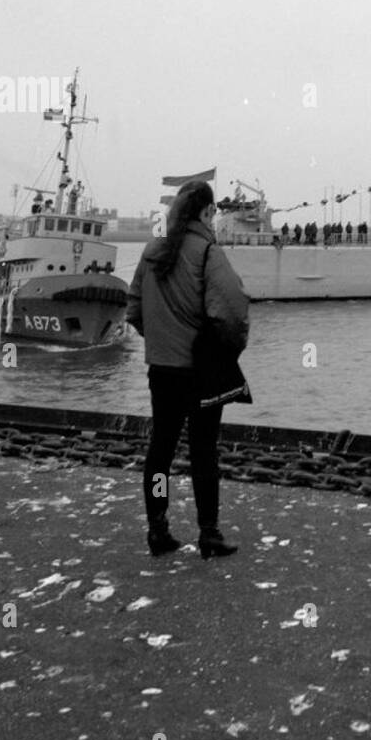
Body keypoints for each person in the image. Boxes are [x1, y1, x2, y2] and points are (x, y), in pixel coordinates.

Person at [127, 180, 250, 560]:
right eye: (212, 212)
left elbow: (133, 309)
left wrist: (161, 339)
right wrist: (226, 349)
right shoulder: (208, 252)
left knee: (160, 452)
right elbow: (232, 311)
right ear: (205, 212)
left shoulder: (151, 251)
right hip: (199, 372)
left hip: (161, 370)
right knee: (203, 452)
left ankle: (158, 530)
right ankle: (209, 533)